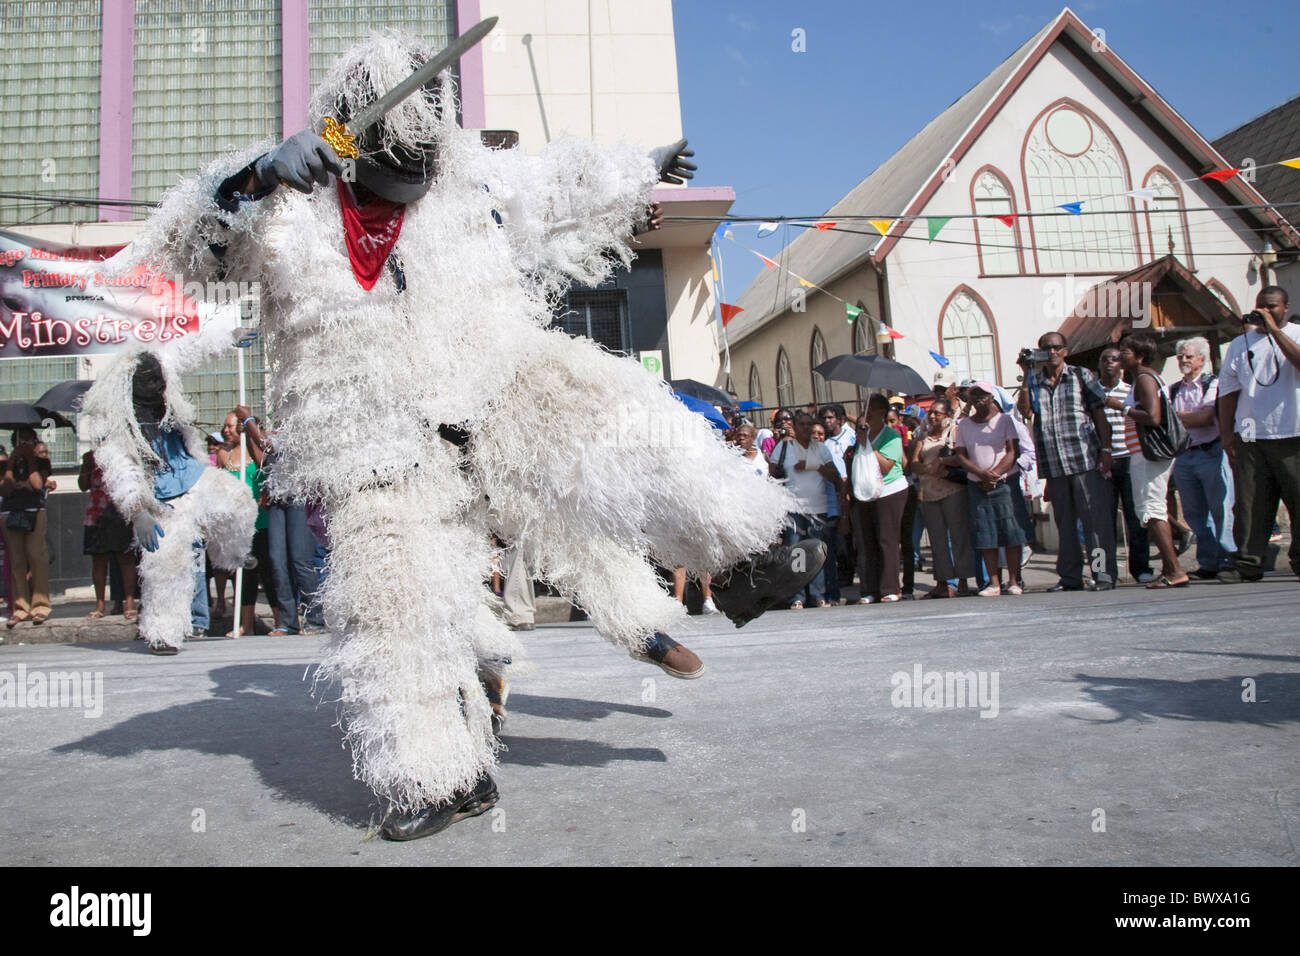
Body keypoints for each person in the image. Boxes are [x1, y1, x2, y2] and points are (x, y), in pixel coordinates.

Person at [109, 30, 823, 841]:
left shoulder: (465, 183)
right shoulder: (282, 209)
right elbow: (180, 250)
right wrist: (251, 177)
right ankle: (441, 774)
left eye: (425, 163)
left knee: (607, 403)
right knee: (393, 604)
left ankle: (748, 548)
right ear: (348, 143)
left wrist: (641, 166)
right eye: (395, 164)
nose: (414, 183)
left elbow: (554, 185)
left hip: (494, 382)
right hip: (376, 452)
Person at [81, 351, 257, 654]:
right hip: (161, 503)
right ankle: (162, 632)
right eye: (149, 383)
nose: (156, 387)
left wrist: (231, 340)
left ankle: (231, 555)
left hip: (194, 476)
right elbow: (121, 472)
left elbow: (195, 350)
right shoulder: (115, 423)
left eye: (158, 381)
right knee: (166, 566)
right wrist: (138, 515)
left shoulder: (165, 391)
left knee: (240, 499)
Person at [1017, 331, 1116, 591]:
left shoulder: (1081, 375)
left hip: (1084, 460)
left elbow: (1098, 412)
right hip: (1055, 465)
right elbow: (1025, 411)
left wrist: (1106, 450)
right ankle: (1070, 577)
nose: (1051, 352)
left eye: (1056, 348)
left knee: (1095, 523)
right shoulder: (1036, 381)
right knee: (1065, 526)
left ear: (1065, 351)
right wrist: (1026, 374)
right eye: (1045, 348)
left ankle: (1102, 574)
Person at [1217, 286, 1300, 582]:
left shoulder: (1296, 334)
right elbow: (1226, 393)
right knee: (1251, 505)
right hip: (1251, 436)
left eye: (1272, 306)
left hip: (1293, 432)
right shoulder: (1240, 344)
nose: (1265, 311)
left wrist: (1276, 331)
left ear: (1286, 308)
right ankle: (1249, 564)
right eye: (1261, 306)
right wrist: (1227, 435)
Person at [1104, 334, 1190, 588]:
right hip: (1143, 453)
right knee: (1150, 509)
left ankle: (1174, 570)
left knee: (1151, 510)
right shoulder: (1144, 378)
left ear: (1140, 356)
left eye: (1126, 351)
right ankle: (1170, 568)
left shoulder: (1143, 378)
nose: (1121, 355)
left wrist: (1120, 407)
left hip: (1148, 453)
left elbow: (1152, 416)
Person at [1169, 336, 1235, 579]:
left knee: (1221, 509)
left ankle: (1229, 558)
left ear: (1202, 359)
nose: (1184, 360)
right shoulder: (1174, 388)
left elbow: (1205, 418)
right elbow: (1162, 418)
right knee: (1195, 513)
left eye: (1189, 356)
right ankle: (1209, 563)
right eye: (1180, 356)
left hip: (1211, 451)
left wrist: (1175, 416)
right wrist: (1185, 416)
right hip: (1185, 455)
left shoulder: (1213, 384)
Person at [952, 383, 1025, 595]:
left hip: (1004, 482)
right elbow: (961, 455)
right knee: (985, 533)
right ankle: (993, 583)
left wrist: (995, 474)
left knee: (1011, 531)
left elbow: (1013, 451)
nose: (976, 400)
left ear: (991, 397)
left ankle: (1013, 580)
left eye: (981, 395)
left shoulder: (1004, 421)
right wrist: (981, 474)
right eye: (972, 396)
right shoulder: (965, 425)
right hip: (977, 483)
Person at [770, 410, 839, 608]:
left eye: (810, 424)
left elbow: (835, 477)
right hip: (794, 509)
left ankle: (818, 595)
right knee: (797, 553)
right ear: (794, 426)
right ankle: (797, 596)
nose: (807, 428)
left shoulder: (821, 449)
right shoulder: (783, 447)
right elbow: (772, 475)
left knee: (817, 553)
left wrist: (813, 465)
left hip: (818, 509)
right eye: (802, 424)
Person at [907, 398, 975, 597]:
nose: (933, 416)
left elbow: (963, 456)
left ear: (947, 415)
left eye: (938, 413)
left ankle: (962, 581)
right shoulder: (923, 436)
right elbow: (914, 463)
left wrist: (942, 462)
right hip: (929, 493)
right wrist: (928, 467)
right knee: (937, 540)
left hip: (952, 490)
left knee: (958, 537)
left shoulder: (954, 432)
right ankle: (943, 582)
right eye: (931, 413)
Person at [845, 394, 909, 603]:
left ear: (883, 413)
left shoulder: (891, 436)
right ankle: (869, 589)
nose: (867, 412)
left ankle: (890, 587)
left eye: (872, 408)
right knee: (866, 541)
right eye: (866, 407)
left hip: (889, 491)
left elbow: (887, 465)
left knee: (886, 540)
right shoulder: (863, 434)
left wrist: (869, 446)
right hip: (866, 493)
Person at [1097, 346, 1153, 583]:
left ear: (1122, 365)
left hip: (1130, 457)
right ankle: (1104, 571)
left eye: (1115, 359)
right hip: (1102, 462)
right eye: (1105, 360)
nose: (1110, 363)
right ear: (1099, 364)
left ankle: (1141, 569)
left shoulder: (1131, 392)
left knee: (1136, 517)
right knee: (1102, 522)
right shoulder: (1090, 392)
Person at [78, 451, 139, 622]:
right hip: (95, 515)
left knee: (125, 558)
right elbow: (83, 485)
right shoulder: (91, 457)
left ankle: (129, 603)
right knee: (98, 560)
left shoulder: (122, 456)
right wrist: (86, 467)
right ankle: (100, 605)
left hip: (119, 514)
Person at [0, 428, 52, 627]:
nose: (25, 445)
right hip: (11, 512)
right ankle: (20, 607)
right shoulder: (5, 464)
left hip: (34, 511)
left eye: (30, 441)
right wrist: (12, 463)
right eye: (22, 441)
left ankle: (40, 605)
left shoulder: (41, 462)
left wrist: (30, 461)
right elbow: (6, 488)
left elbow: (38, 485)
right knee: (16, 560)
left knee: (37, 556)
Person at [819, 403, 856, 600]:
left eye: (830, 418)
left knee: (848, 536)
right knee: (839, 538)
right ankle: (842, 573)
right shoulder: (824, 444)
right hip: (831, 495)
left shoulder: (850, 436)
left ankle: (850, 571)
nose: (827, 422)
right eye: (824, 418)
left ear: (840, 419)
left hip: (848, 490)